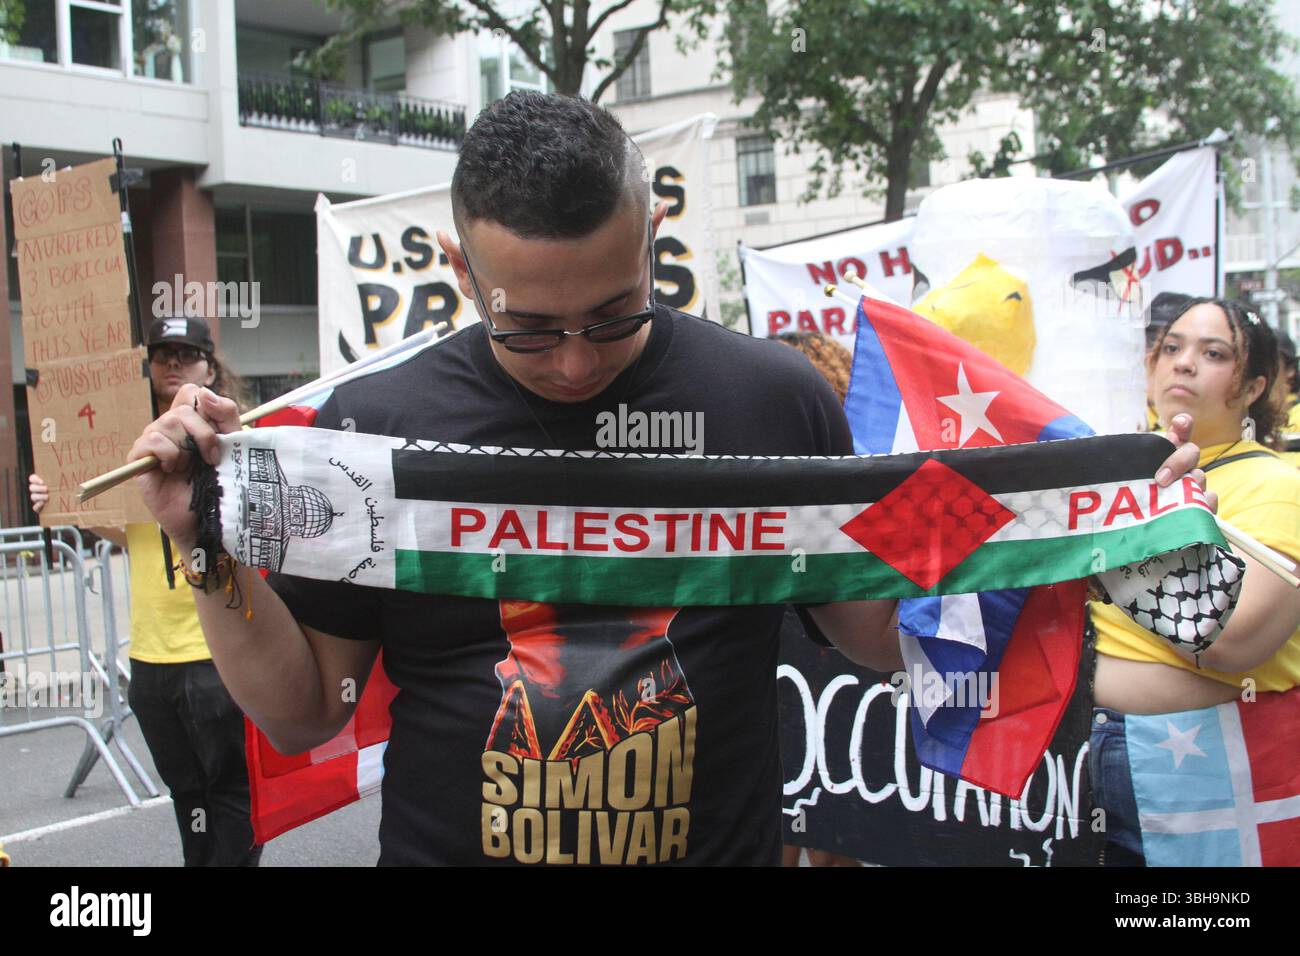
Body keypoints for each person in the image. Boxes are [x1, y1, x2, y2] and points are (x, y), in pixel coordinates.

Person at [128, 92, 1205, 866]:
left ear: (651, 237)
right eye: (529, 328)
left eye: (613, 311)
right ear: (463, 273)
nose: (576, 360)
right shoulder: (376, 424)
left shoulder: (770, 398)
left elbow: (875, 637)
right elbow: (307, 709)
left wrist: (1072, 524)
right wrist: (203, 543)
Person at [32, 316, 261, 867]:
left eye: (187, 354)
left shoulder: (239, 438)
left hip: (218, 656)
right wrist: (56, 502)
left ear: (211, 365)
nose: (174, 364)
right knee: (188, 796)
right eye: (163, 354)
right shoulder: (132, 453)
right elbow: (122, 528)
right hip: (152, 663)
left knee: (232, 795)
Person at [1090, 297, 1300, 866]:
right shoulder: (1104, 474)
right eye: (1172, 346)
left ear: (1254, 387)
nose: (1183, 363)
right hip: (1069, 759)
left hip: (1196, 761)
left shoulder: (1278, 484)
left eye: (1214, 353)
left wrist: (1100, 557)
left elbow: (1231, 636)